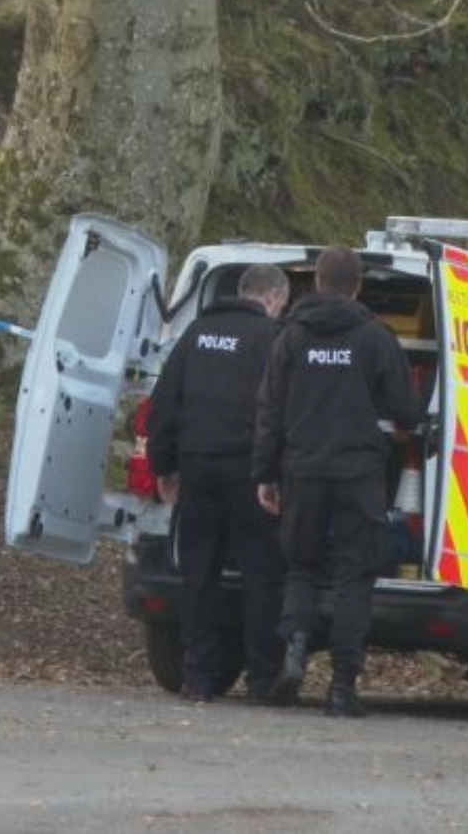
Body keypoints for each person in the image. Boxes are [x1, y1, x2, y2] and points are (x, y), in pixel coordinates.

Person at [253, 247, 421, 718]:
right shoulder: (375, 338)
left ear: (316, 283)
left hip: (302, 471)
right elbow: (407, 410)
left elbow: (269, 411)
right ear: (358, 286)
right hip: (358, 474)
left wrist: (265, 474)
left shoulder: (290, 337)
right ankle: (343, 687)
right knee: (355, 574)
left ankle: (295, 648)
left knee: (302, 567)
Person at [147, 264, 291, 703]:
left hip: (197, 471)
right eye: (280, 305)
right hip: (247, 473)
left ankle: (198, 678)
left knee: (199, 575)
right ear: (270, 298)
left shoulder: (194, 336)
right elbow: (279, 413)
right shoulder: (270, 339)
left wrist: (164, 467)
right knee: (260, 576)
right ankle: (262, 681)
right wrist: (276, 474)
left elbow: (164, 405)